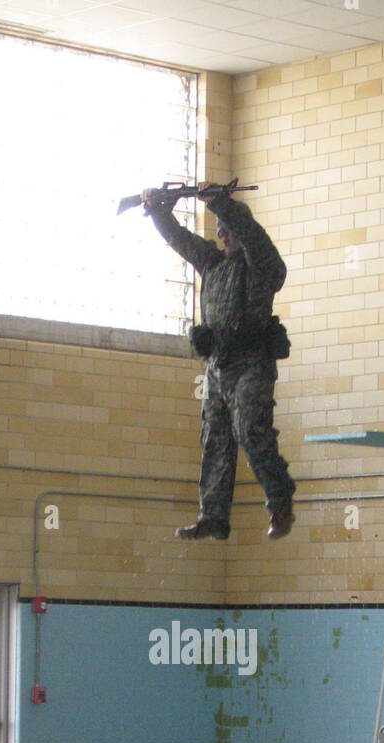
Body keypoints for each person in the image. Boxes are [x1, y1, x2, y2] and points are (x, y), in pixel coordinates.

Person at [143, 183, 296, 541]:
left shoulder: (261, 266)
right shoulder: (212, 262)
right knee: (215, 437)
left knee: (250, 430)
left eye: (229, 230)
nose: (223, 236)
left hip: (251, 362)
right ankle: (212, 514)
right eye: (220, 231)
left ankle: (280, 503)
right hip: (217, 366)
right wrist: (158, 210)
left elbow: (256, 239)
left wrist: (221, 204)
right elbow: (178, 238)